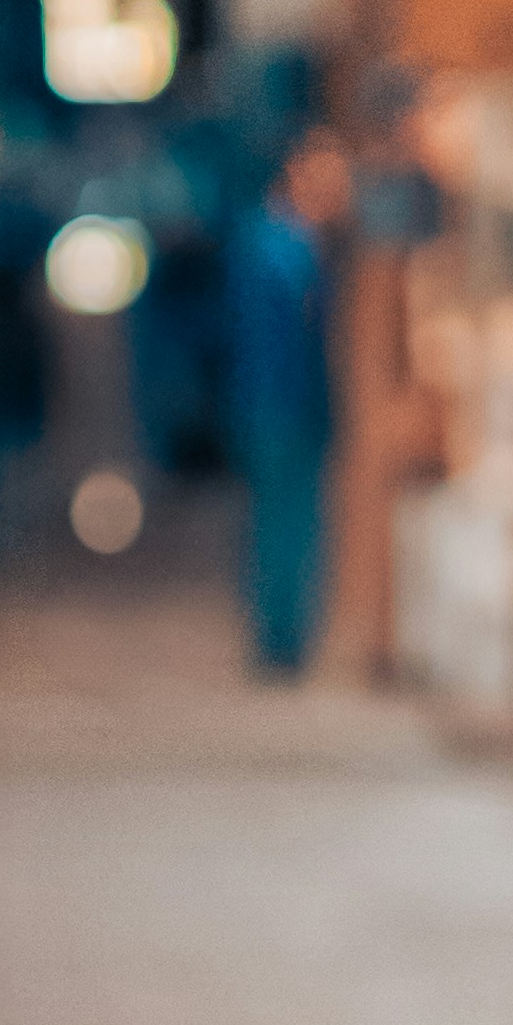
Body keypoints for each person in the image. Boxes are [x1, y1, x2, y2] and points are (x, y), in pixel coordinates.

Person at [226, 129, 347, 672]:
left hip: (292, 403)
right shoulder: (272, 243)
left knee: (293, 522)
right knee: (282, 523)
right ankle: (279, 639)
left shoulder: (297, 242)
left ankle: (285, 636)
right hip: (275, 402)